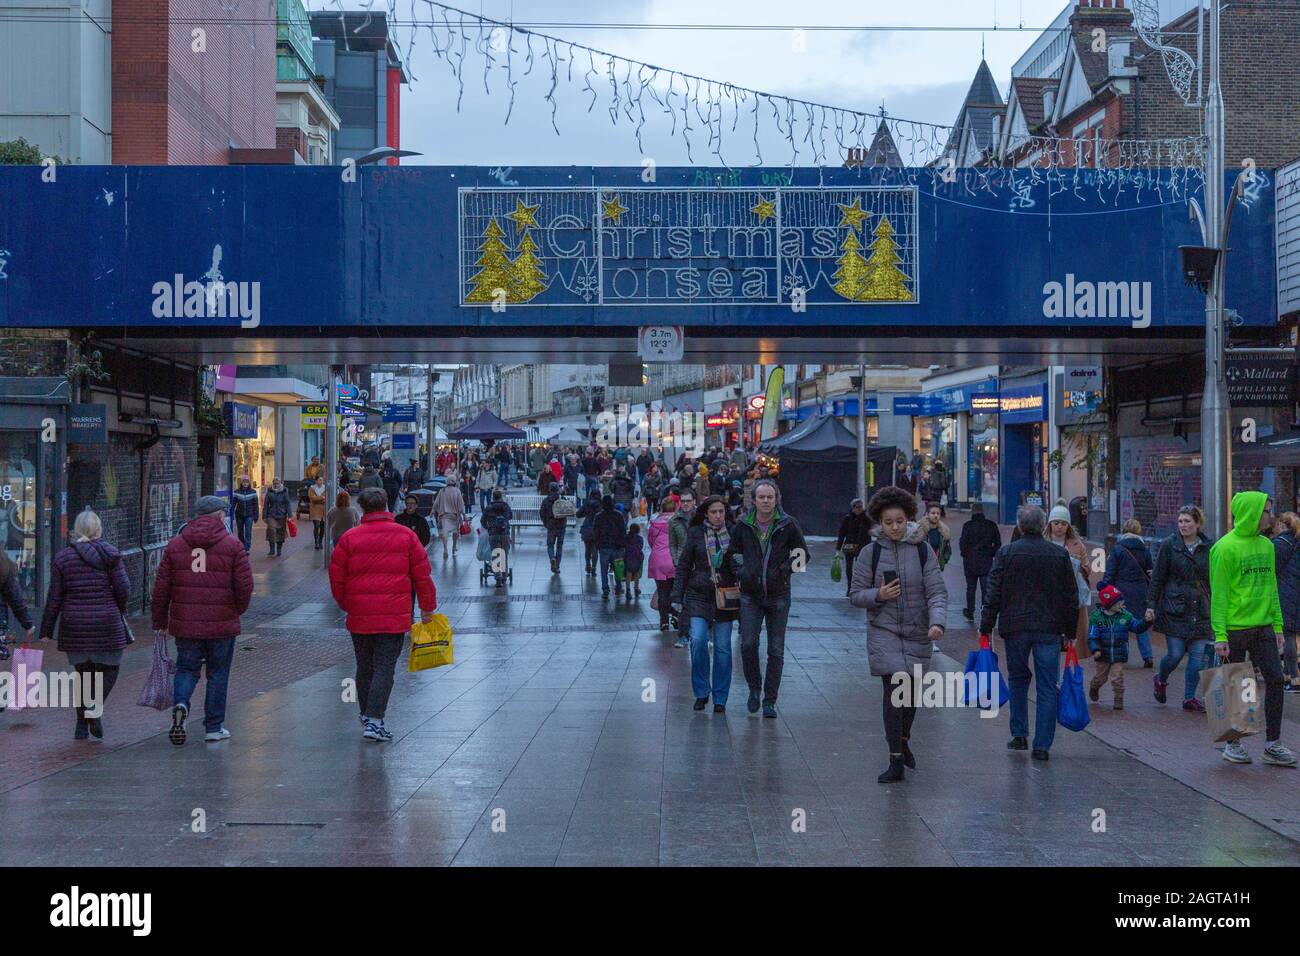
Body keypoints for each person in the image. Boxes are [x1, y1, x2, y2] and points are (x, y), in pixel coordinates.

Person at [849, 486, 947, 783]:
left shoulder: (921, 549)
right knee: (895, 691)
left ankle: (903, 739)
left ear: (909, 520)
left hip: (918, 631)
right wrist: (877, 594)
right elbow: (855, 594)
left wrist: (938, 623)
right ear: (880, 522)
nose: (894, 527)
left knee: (911, 694)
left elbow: (937, 591)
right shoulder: (871, 552)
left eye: (900, 521)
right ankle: (895, 760)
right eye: (888, 522)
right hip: (885, 630)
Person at [329, 488, 436, 742]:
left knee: (364, 666)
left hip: (360, 616)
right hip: (394, 616)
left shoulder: (349, 539)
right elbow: (422, 574)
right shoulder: (406, 536)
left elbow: (336, 578)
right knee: (385, 667)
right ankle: (375, 720)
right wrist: (427, 608)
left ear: (363, 508)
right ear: (387, 504)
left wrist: (348, 604)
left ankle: (367, 714)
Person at [979, 504, 1079, 761]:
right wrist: (1071, 631)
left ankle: (1019, 733)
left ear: (1020, 526)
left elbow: (993, 592)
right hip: (1049, 627)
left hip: (1015, 626)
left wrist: (986, 625)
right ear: (1044, 524)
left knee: (1018, 678)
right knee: (1047, 685)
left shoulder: (1007, 552)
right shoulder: (1058, 555)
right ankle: (1042, 745)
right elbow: (1070, 596)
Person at [154, 496, 254, 746]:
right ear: (219, 516)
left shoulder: (176, 545)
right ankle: (213, 727)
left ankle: (181, 705)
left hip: (186, 623)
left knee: (186, 668)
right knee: (218, 673)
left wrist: (160, 620)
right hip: (222, 623)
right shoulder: (233, 546)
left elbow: (161, 588)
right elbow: (244, 586)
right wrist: (236, 610)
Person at [1209, 491, 1295, 766]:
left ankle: (1272, 743)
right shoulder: (1224, 548)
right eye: (1266, 510)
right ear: (1252, 513)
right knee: (1236, 683)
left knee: (1275, 679)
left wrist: (1278, 625)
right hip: (1234, 627)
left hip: (1263, 626)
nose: (1271, 515)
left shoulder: (1267, 546)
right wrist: (1220, 634)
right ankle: (1233, 743)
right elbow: (1219, 594)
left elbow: (1271, 588)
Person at [38, 510, 130, 739]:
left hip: (75, 625)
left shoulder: (63, 558)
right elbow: (124, 589)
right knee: (111, 667)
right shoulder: (111, 555)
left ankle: (81, 727)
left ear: (76, 531)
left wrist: (46, 630)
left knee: (83, 675)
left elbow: (54, 597)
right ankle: (93, 708)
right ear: (98, 529)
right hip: (107, 622)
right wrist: (118, 609)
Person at [726, 478, 807, 718]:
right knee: (748, 644)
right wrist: (742, 571)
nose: (765, 501)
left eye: (769, 497)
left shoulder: (788, 525)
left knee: (776, 650)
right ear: (754, 500)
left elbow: (802, 556)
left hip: (778, 595)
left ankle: (770, 699)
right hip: (750, 595)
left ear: (776, 499)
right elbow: (733, 553)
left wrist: (784, 571)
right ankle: (754, 688)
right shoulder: (744, 525)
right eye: (761, 497)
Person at [671, 496, 739, 713]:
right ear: (706, 514)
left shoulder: (734, 534)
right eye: (714, 512)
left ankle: (720, 697)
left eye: (721, 511)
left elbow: (741, 563)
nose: (718, 516)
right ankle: (701, 691)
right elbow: (683, 565)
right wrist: (676, 595)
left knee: (723, 648)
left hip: (725, 597)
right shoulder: (695, 534)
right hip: (698, 594)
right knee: (698, 641)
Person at [1150, 504, 1213, 710]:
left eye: (1187, 521)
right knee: (1175, 655)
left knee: (1197, 658)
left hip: (1201, 608)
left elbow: (1214, 579)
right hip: (1175, 607)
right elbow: (1158, 577)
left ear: (1197, 524)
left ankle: (1188, 698)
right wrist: (1151, 605)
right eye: (1180, 521)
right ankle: (1161, 677)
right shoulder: (1170, 545)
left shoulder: (1209, 547)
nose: (1183, 525)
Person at [1088, 584, 1152, 710]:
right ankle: (1094, 687)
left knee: (1117, 677)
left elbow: (1137, 627)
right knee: (1100, 678)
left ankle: (1118, 698)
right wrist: (1095, 649)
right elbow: (1092, 636)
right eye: (1118, 602)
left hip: (1119, 653)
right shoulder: (1096, 617)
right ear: (1109, 604)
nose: (1122, 603)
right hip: (1102, 654)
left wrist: (1147, 621)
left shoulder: (1126, 615)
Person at [1101, 517, 1155, 667]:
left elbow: (1110, 573)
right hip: (1140, 591)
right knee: (1141, 623)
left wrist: (1104, 589)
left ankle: (1122, 656)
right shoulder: (1145, 550)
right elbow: (1150, 572)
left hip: (1121, 592)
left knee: (1122, 623)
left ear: (1124, 531)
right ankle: (1148, 656)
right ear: (1139, 531)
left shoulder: (1118, 549)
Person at [1047, 502, 1092, 659]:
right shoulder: (1044, 541)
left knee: (1073, 627)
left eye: (1063, 523)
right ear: (1050, 524)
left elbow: (1087, 568)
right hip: (1050, 592)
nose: (1059, 527)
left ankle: (1072, 652)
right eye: (1056, 523)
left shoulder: (1077, 543)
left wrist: (1077, 564)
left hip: (1072, 591)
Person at [958, 503, 1001, 622]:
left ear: (972, 512)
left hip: (970, 562)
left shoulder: (967, 526)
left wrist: (966, 554)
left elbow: (962, 544)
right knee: (986, 588)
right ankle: (984, 610)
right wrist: (990, 553)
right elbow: (998, 543)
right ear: (983, 512)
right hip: (986, 562)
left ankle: (970, 611)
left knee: (970, 588)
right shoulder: (991, 525)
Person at [1274, 511, 1300, 694]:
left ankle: (1294, 678)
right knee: (1290, 634)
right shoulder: (1297, 542)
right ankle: (1286, 674)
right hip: (1296, 593)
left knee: (1288, 636)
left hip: (1284, 594)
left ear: (1282, 525)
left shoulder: (1279, 544)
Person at [669, 490, 696, 647]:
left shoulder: (701, 519)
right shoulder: (674, 521)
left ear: (693, 501)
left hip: (699, 564)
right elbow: (672, 543)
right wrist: (675, 559)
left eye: (688, 501)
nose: (686, 504)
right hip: (682, 565)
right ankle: (683, 635)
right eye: (683, 501)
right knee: (684, 601)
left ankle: (706, 633)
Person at [648, 497, 678, 632]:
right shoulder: (678, 522)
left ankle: (664, 621)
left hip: (658, 560)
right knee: (674, 590)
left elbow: (651, 541)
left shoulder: (655, 523)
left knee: (662, 592)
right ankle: (677, 615)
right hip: (674, 560)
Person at [835, 499, 873, 598]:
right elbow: (842, 533)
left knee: (860, 568)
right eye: (857, 507)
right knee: (849, 568)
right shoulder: (847, 518)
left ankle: (859, 587)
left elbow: (870, 532)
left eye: (861, 507)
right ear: (853, 508)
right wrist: (838, 548)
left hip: (862, 545)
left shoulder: (866, 518)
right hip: (850, 545)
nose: (859, 509)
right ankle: (850, 587)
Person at [593, 494, 628, 598]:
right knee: (618, 567)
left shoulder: (599, 516)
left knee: (604, 569)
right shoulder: (619, 515)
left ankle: (605, 588)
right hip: (617, 546)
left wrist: (598, 544)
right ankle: (618, 586)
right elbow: (623, 530)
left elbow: (596, 532)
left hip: (604, 546)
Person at [432, 478, 466, 559]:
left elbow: (436, 502)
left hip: (444, 515)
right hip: (454, 515)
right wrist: (464, 515)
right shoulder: (457, 491)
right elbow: (461, 504)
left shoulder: (442, 490)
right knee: (455, 532)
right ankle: (454, 547)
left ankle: (445, 549)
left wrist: (432, 511)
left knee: (445, 532)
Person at [540, 483, 569, 574]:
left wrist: (546, 523)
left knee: (550, 545)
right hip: (561, 526)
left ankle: (552, 558)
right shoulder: (562, 499)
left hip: (551, 525)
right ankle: (557, 565)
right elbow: (567, 511)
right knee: (559, 546)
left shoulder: (546, 500)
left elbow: (542, 513)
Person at [262, 478, 291, 557]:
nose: (276, 485)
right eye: (274, 483)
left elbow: (288, 504)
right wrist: (264, 516)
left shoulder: (284, 492)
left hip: (282, 515)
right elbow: (266, 505)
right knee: (271, 530)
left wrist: (290, 515)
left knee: (280, 532)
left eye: (277, 483)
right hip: (272, 515)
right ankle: (272, 549)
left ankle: (279, 549)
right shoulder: (269, 492)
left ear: (280, 483)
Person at [919, 502, 952, 570]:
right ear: (927, 514)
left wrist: (943, 561)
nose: (936, 515)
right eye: (933, 513)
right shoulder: (919, 529)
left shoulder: (944, 531)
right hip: (921, 568)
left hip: (936, 568)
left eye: (938, 513)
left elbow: (948, 550)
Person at [230, 475, 259, 553]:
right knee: (240, 532)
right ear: (241, 482)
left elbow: (255, 505)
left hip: (249, 515)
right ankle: (242, 546)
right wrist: (231, 514)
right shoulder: (236, 492)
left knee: (248, 531)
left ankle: (247, 548)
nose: (245, 483)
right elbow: (233, 504)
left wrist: (256, 516)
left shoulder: (253, 492)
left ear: (249, 483)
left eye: (247, 482)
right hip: (239, 514)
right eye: (244, 482)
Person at [578, 489, 602, 576]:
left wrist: (586, 514)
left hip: (586, 528)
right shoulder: (600, 505)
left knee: (587, 549)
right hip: (596, 529)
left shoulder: (586, 503)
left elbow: (578, 514)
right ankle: (594, 568)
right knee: (595, 549)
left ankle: (588, 565)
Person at [624, 521, 644, 599]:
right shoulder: (640, 539)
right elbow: (640, 548)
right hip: (637, 558)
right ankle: (636, 589)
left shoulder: (626, 537)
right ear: (638, 530)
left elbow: (624, 546)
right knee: (636, 574)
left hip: (628, 557)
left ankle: (628, 590)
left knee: (628, 573)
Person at [308, 474, 329, 550]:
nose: (321, 481)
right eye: (320, 480)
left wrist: (318, 499)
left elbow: (326, 498)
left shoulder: (325, 488)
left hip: (323, 510)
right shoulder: (312, 488)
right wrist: (322, 498)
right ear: (316, 481)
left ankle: (320, 541)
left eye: (322, 480)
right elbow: (312, 499)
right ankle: (316, 542)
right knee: (316, 526)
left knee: (322, 527)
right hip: (315, 510)